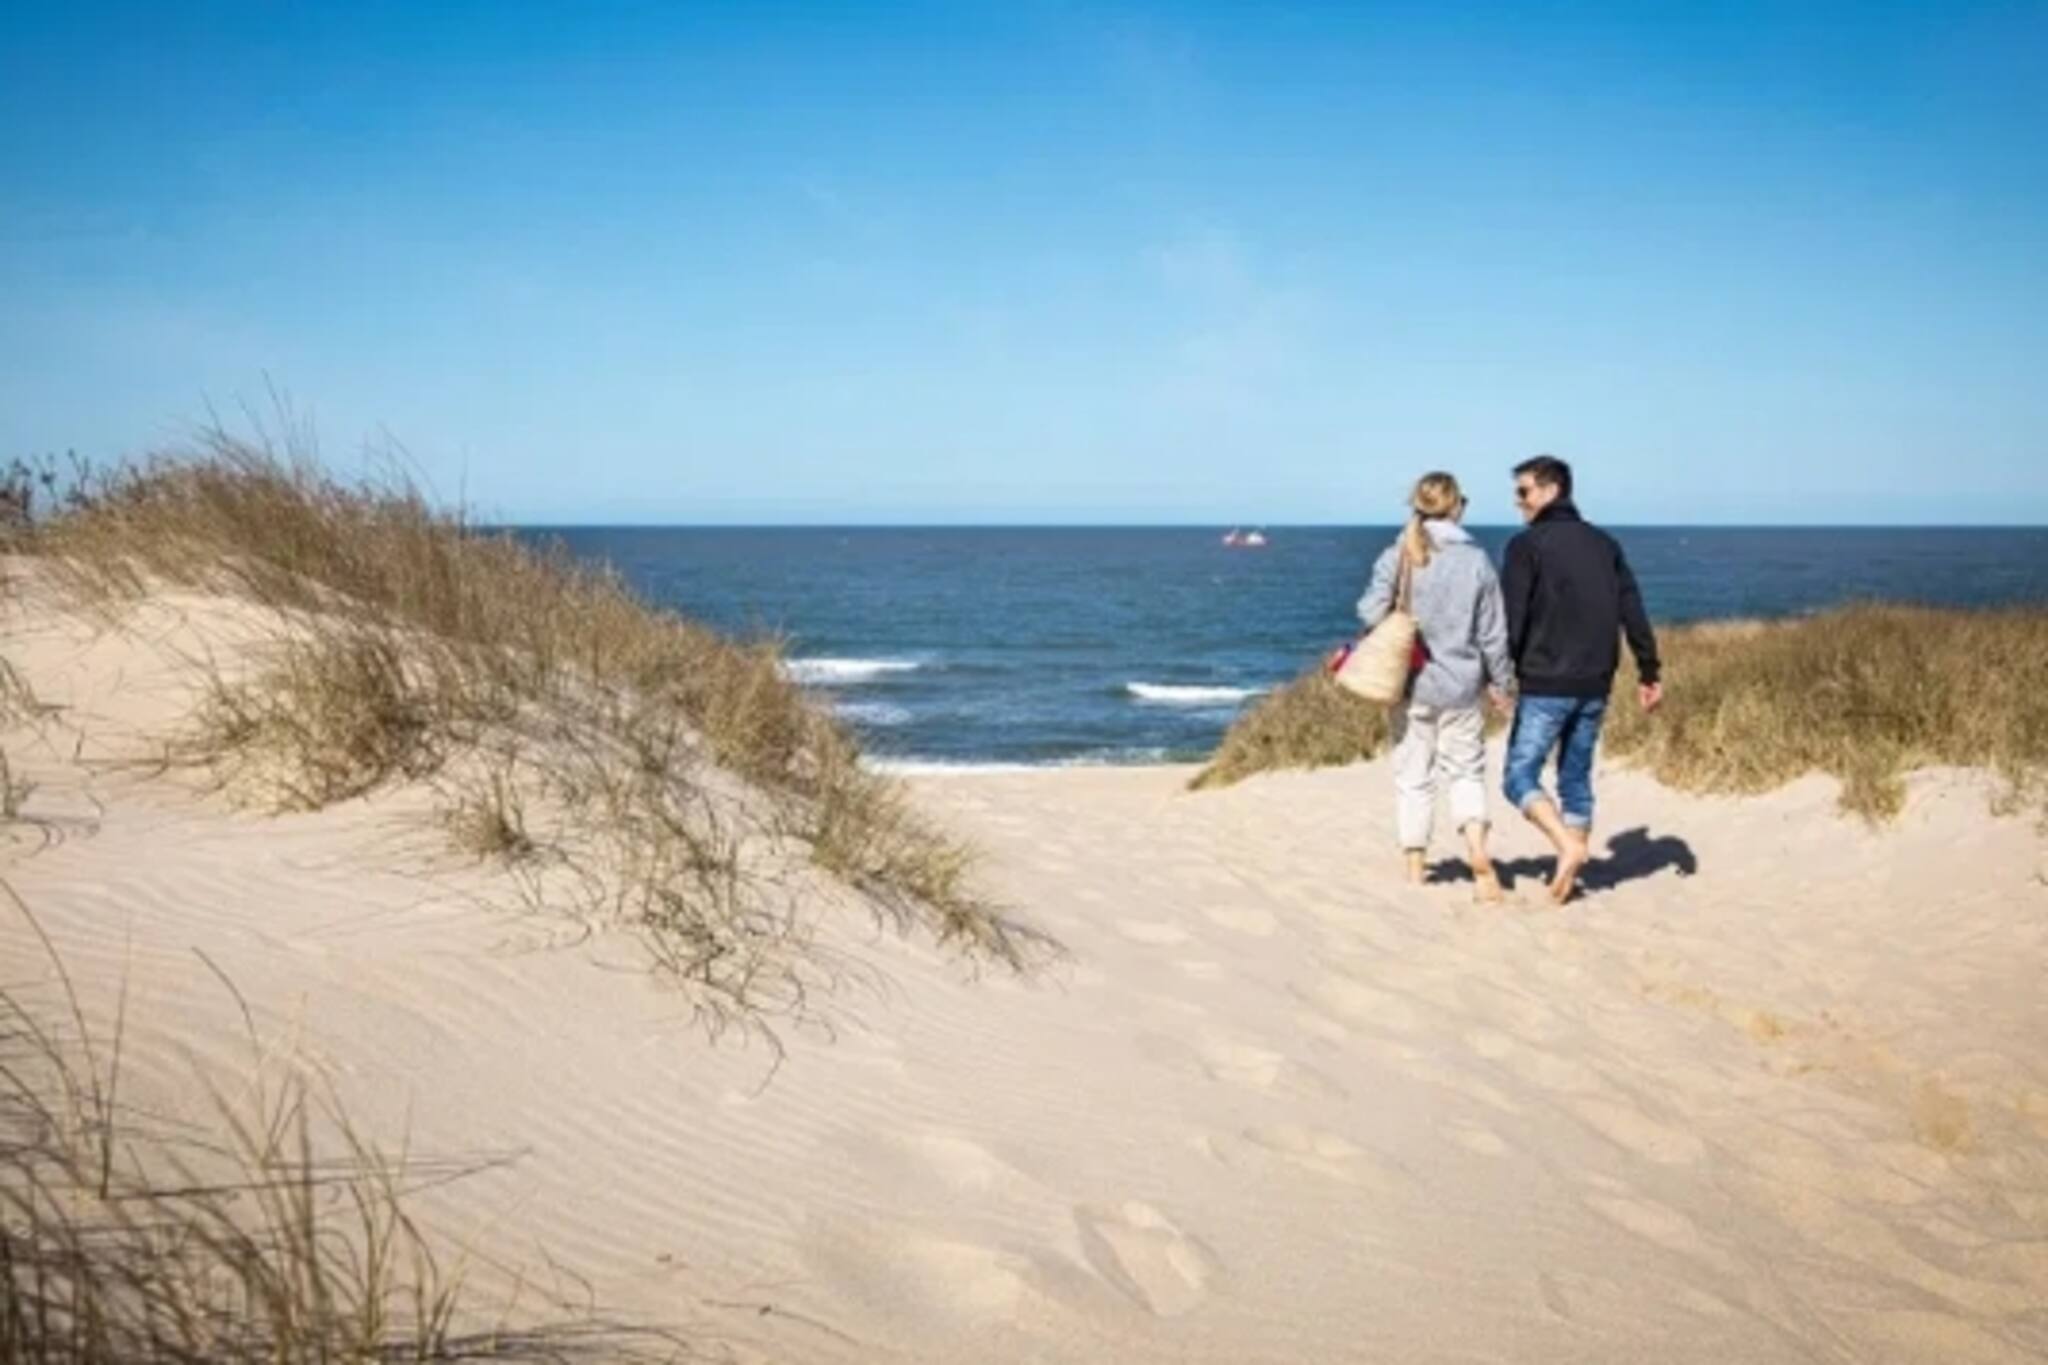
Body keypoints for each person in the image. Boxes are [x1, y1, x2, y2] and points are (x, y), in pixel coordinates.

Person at [1500, 455, 1662, 903]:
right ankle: (1567, 880)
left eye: (1524, 491)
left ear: (1551, 491)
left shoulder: (1525, 546)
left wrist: (1500, 678)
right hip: (1595, 681)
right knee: (1575, 778)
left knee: (1518, 776)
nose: (1518, 502)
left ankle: (1567, 846)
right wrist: (1649, 670)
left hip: (1545, 682)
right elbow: (1633, 610)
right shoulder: (1605, 544)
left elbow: (1512, 621)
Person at [1358, 472, 1516, 904]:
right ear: (1456, 507)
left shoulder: (1398, 554)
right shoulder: (1477, 561)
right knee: (1465, 772)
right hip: (1462, 686)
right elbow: (1493, 636)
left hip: (1410, 685)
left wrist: (1402, 609)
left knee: (1414, 779)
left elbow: (1370, 612)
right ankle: (1478, 851)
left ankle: (1415, 869)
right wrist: (1502, 684)